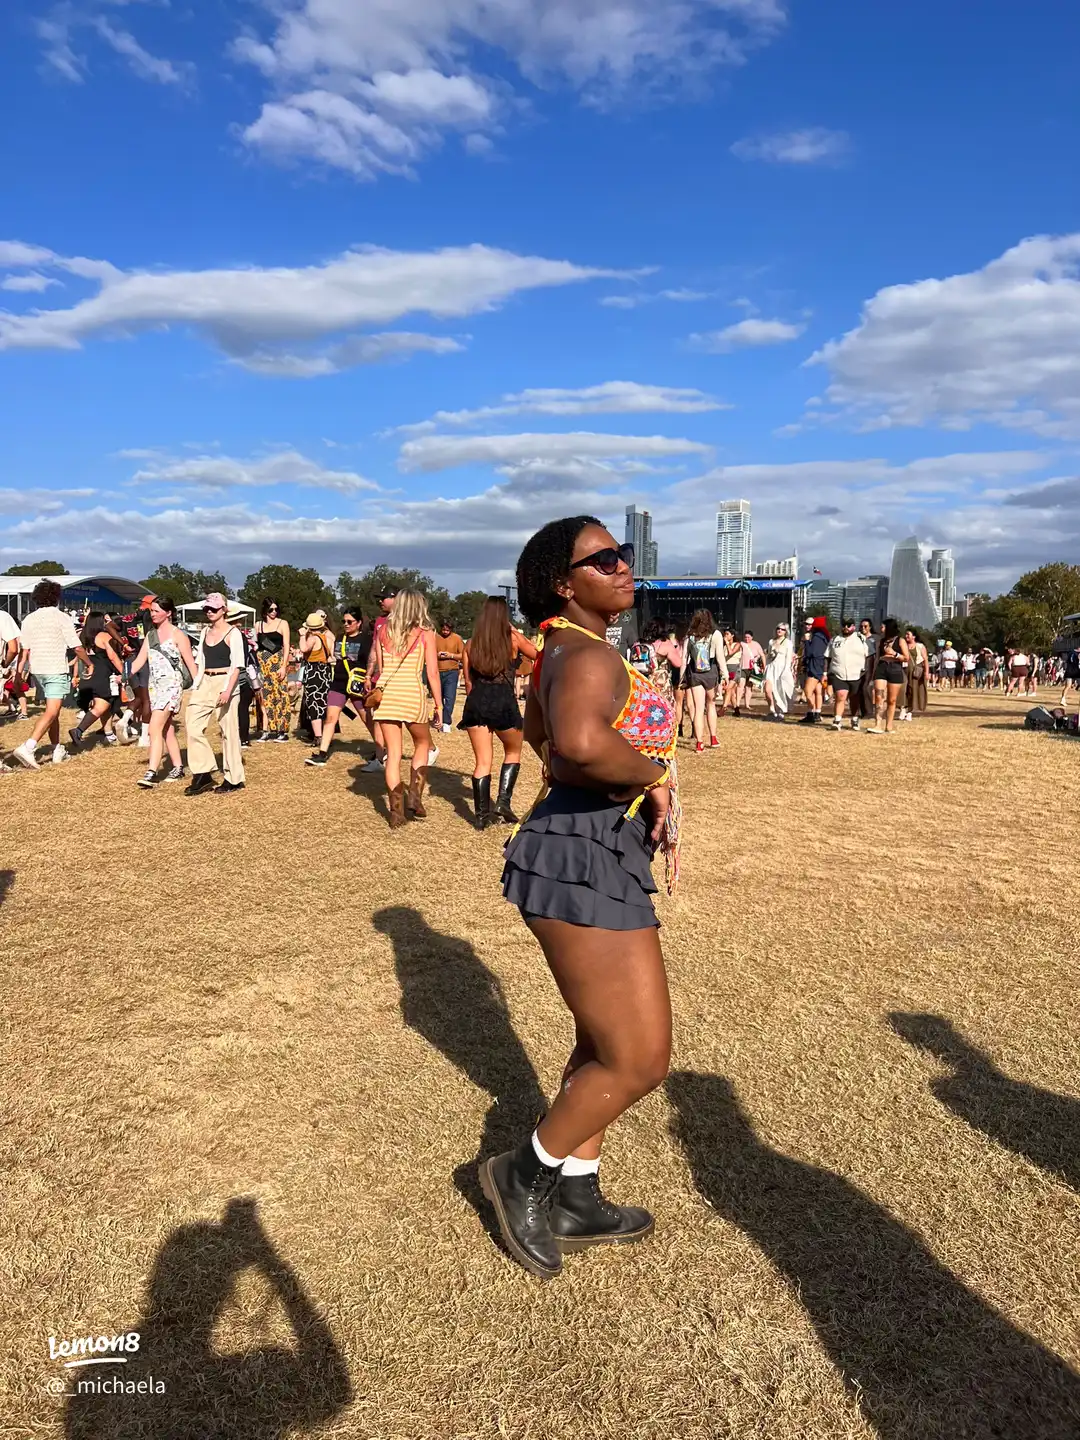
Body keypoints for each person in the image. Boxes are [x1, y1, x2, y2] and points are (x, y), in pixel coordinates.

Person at [489, 517, 678, 1280]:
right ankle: (524, 1175)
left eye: (623, 555)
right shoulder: (587, 654)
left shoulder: (562, 651)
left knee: (606, 1040)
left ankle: (576, 1193)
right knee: (639, 1059)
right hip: (582, 860)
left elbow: (547, 740)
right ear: (565, 584)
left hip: (588, 850)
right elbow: (578, 742)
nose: (622, 566)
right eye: (602, 559)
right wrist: (654, 777)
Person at [460, 596, 537, 828]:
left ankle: (481, 817)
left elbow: (468, 681)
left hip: (477, 702)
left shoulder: (471, 644)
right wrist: (517, 633)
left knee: (482, 761)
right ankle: (503, 801)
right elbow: (537, 654)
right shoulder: (512, 640)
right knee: (513, 750)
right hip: (503, 700)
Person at [369, 589, 441, 828]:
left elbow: (381, 667)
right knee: (423, 743)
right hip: (412, 692)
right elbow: (431, 672)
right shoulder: (426, 633)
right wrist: (440, 705)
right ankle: (415, 795)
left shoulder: (381, 631)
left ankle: (396, 813)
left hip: (387, 694)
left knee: (393, 753)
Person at [11, 581, 89, 770]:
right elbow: (76, 646)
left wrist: (19, 674)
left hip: (38, 670)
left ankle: (56, 749)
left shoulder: (29, 619)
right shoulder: (61, 617)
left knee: (52, 711)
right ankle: (29, 746)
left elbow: (25, 651)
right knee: (52, 711)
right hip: (55, 669)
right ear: (56, 596)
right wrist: (89, 663)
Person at [128, 596, 196, 787]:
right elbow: (140, 660)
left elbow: (191, 664)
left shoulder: (179, 635)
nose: (153, 614)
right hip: (155, 687)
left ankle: (151, 772)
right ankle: (178, 767)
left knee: (154, 728)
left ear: (169, 613)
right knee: (167, 730)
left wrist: (200, 687)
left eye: (157, 611)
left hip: (172, 686)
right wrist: (124, 675)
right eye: (152, 611)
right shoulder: (151, 635)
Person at [186, 593, 245, 795]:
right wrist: (196, 683)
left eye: (214, 608)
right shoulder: (204, 632)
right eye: (207, 609)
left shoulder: (233, 633)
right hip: (205, 681)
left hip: (225, 681)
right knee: (192, 725)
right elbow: (200, 661)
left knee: (228, 731)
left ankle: (234, 778)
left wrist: (228, 690)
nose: (210, 612)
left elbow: (237, 665)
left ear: (224, 610)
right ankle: (203, 773)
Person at [305, 606, 370, 766]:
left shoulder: (366, 640)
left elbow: (370, 661)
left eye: (350, 621)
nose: (346, 624)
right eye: (344, 621)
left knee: (366, 718)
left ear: (359, 623)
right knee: (330, 718)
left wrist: (369, 679)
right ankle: (322, 753)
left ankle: (383, 750)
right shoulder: (341, 638)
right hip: (339, 682)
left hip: (356, 683)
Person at [67, 616, 126, 750]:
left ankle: (109, 734)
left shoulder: (82, 636)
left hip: (89, 673)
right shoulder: (104, 636)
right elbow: (112, 657)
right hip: (103, 674)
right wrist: (125, 673)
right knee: (101, 707)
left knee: (105, 706)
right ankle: (78, 731)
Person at [360, 588, 397, 773]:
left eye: (384, 598)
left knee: (402, 720)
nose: (380, 602)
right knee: (378, 717)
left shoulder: (408, 621)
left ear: (395, 598)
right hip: (380, 678)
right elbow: (375, 650)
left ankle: (427, 748)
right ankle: (380, 757)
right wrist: (368, 675)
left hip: (399, 678)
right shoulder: (380, 622)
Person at [683, 608, 723, 752]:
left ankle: (699, 742)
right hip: (710, 671)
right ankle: (713, 738)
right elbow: (720, 658)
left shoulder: (690, 636)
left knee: (698, 708)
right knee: (711, 704)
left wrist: (682, 677)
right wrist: (723, 675)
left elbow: (684, 659)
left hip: (695, 672)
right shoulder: (716, 634)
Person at [253, 598, 291, 742]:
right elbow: (256, 644)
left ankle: (282, 730)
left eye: (276, 609)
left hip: (278, 662)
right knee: (265, 697)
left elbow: (286, 645)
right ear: (265, 611)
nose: (274, 612)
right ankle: (267, 729)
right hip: (263, 664)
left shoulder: (283, 624)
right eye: (271, 610)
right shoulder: (258, 625)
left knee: (281, 696)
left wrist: (284, 665)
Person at [868, 619, 911, 735]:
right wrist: (872, 673)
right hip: (882, 668)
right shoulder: (881, 641)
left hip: (895, 668)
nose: (881, 629)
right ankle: (877, 724)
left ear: (888, 628)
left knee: (892, 700)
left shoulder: (900, 641)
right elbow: (877, 657)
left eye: (882, 627)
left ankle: (889, 725)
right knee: (878, 696)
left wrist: (894, 653)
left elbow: (907, 658)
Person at [298, 613, 335, 744]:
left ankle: (318, 736)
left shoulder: (313, 638)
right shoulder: (326, 638)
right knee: (323, 704)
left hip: (314, 673)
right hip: (324, 673)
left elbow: (303, 649)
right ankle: (325, 735)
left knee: (313, 704)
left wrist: (302, 636)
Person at [826, 618, 866, 731]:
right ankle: (837, 720)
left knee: (854, 698)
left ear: (853, 626)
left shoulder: (861, 639)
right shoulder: (835, 639)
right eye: (844, 625)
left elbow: (869, 656)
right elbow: (827, 656)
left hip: (856, 673)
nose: (846, 628)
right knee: (840, 696)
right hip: (838, 672)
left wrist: (867, 671)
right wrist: (826, 672)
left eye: (849, 625)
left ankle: (854, 719)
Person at [435, 618, 466, 732]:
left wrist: (451, 655)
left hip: (452, 671)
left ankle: (446, 722)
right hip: (437, 671)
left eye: (447, 630)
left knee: (449, 698)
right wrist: (437, 655)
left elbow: (463, 655)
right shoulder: (434, 637)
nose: (445, 632)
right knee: (438, 698)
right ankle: (438, 718)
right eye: (443, 630)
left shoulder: (457, 639)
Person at [799, 617, 830, 724]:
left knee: (808, 691)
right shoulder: (823, 637)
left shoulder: (817, 637)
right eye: (805, 624)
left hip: (814, 666)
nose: (807, 626)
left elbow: (811, 652)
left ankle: (811, 713)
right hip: (820, 666)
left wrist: (807, 641)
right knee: (818, 692)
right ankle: (817, 713)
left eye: (809, 624)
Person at [763, 622, 796, 721]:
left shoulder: (788, 643)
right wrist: (766, 667)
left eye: (782, 629)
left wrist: (786, 670)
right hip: (771, 668)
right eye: (778, 628)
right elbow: (768, 656)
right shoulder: (771, 641)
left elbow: (788, 658)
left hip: (782, 668)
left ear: (786, 631)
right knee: (767, 690)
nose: (779, 630)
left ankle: (780, 711)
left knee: (780, 690)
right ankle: (772, 710)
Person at [905, 629, 929, 718]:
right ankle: (905, 708)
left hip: (916, 671)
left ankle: (912, 710)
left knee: (915, 690)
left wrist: (927, 672)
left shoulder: (920, 646)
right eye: (906, 634)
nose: (906, 636)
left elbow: (925, 659)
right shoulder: (903, 645)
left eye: (908, 634)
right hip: (905, 670)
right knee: (905, 690)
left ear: (914, 636)